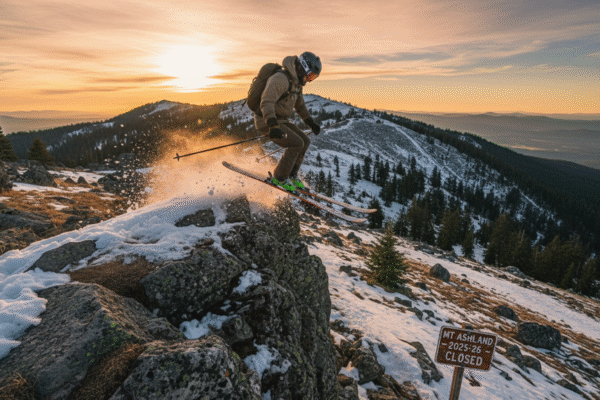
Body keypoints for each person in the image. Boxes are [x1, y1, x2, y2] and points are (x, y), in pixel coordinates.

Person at [254, 51, 322, 192]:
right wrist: (272, 125)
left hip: (281, 121)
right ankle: (279, 177)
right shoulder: (281, 79)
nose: (309, 79)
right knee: (296, 143)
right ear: (302, 67)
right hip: (267, 121)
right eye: (310, 75)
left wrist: (311, 123)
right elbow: (266, 101)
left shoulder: (296, 83)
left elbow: (300, 106)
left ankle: (291, 174)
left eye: (313, 77)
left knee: (305, 141)